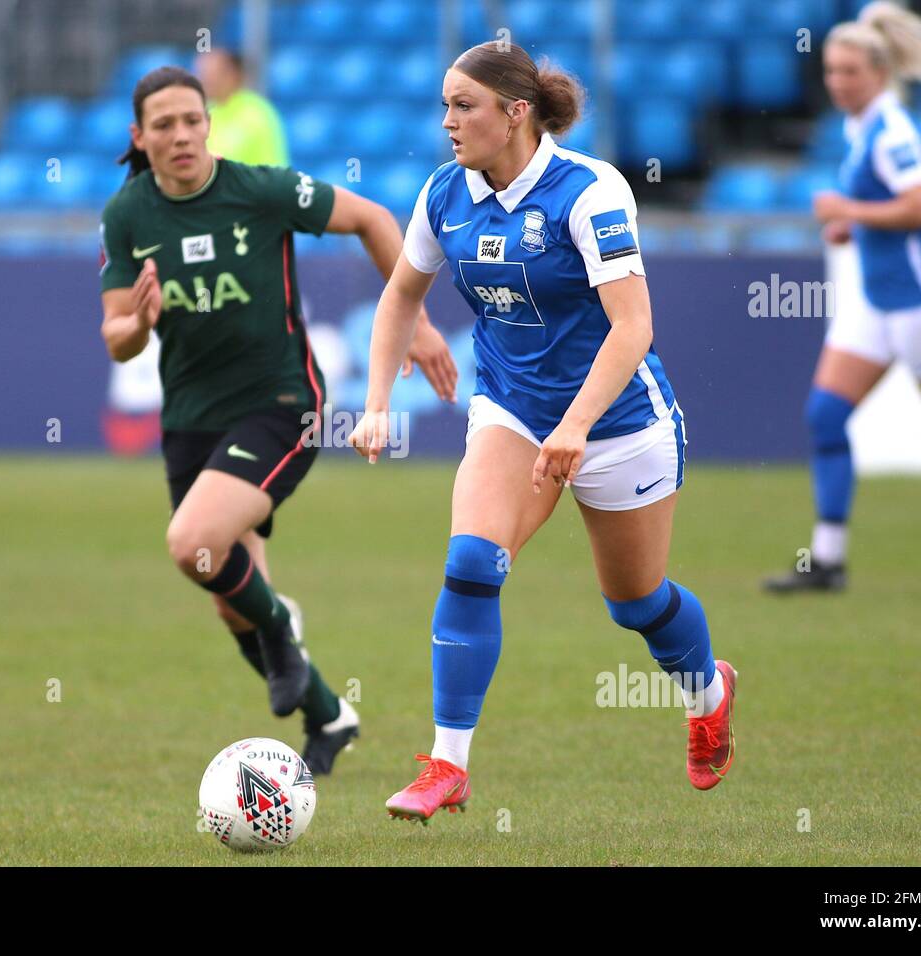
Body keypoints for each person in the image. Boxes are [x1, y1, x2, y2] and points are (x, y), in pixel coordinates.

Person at [349, 42, 737, 821]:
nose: (449, 122)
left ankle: (709, 690)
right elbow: (398, 300)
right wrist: (376, 401)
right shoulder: (444, 194)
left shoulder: (589, 192)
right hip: (513, 411)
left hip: (620, 421)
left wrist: (579, 425)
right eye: (445, 106)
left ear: (516, 113)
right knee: (470, 563)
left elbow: (633, 328)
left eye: (465, 106)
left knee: (634, 603)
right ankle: (446, 765)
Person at [99, 66, 458, 773]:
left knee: (191, 543)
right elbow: (115, 333)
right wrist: (138, 324)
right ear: (140, 137)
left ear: (209, 123)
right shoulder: (128, 214)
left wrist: (408, 316)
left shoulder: (259, 190)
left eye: (191, 120)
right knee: (227, 593)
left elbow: (372, 219)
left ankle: (282, 635)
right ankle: (330, 715)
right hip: (191, 418)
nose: (181, 135)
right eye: (163, 125)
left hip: (282, 403)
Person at [765, 1, 921, 593]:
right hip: (875, 305)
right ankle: (827, 561)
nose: (837, 82)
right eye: (830, 70)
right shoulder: (860, 126)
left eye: (850, 71)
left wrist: (848, 209)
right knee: (825, 415)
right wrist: (859, 225)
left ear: (878, 72)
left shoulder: (892, 129)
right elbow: (891, 210)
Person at [196, 48, 289, 166]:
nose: (204, 80)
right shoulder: (201, 113)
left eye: (210, 75)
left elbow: (275, 169)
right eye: (202, 74)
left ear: (233, 75)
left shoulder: (257, 113)